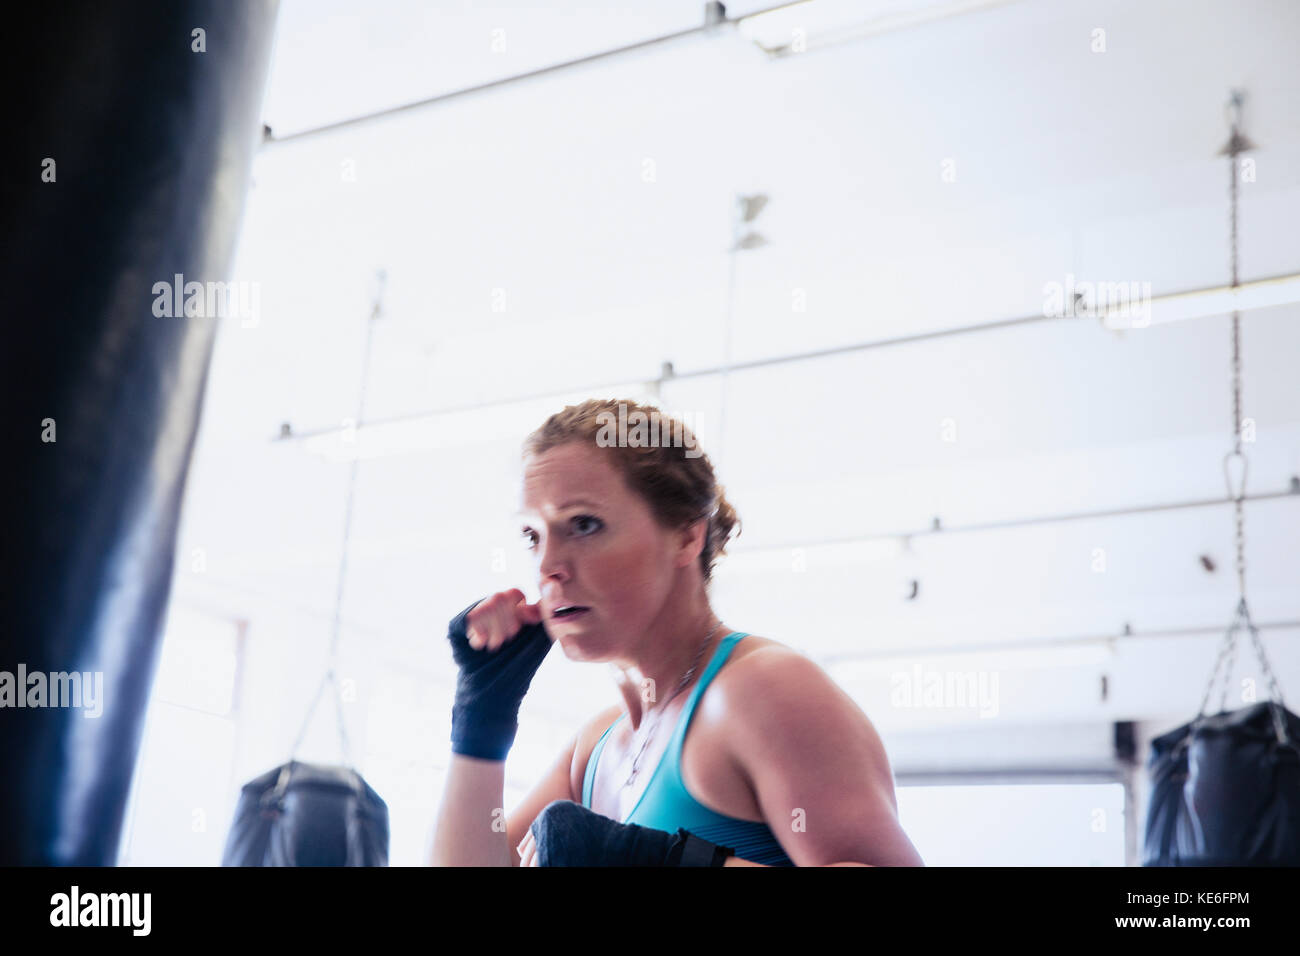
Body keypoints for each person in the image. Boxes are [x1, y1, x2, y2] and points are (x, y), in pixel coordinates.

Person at [430, 398, 923, 867]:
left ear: (688, 535)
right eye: (532, 536)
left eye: (583, 524)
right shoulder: (596, 745)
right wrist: (481, 720)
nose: (548, 566)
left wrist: (669, 861)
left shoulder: (763, 689)